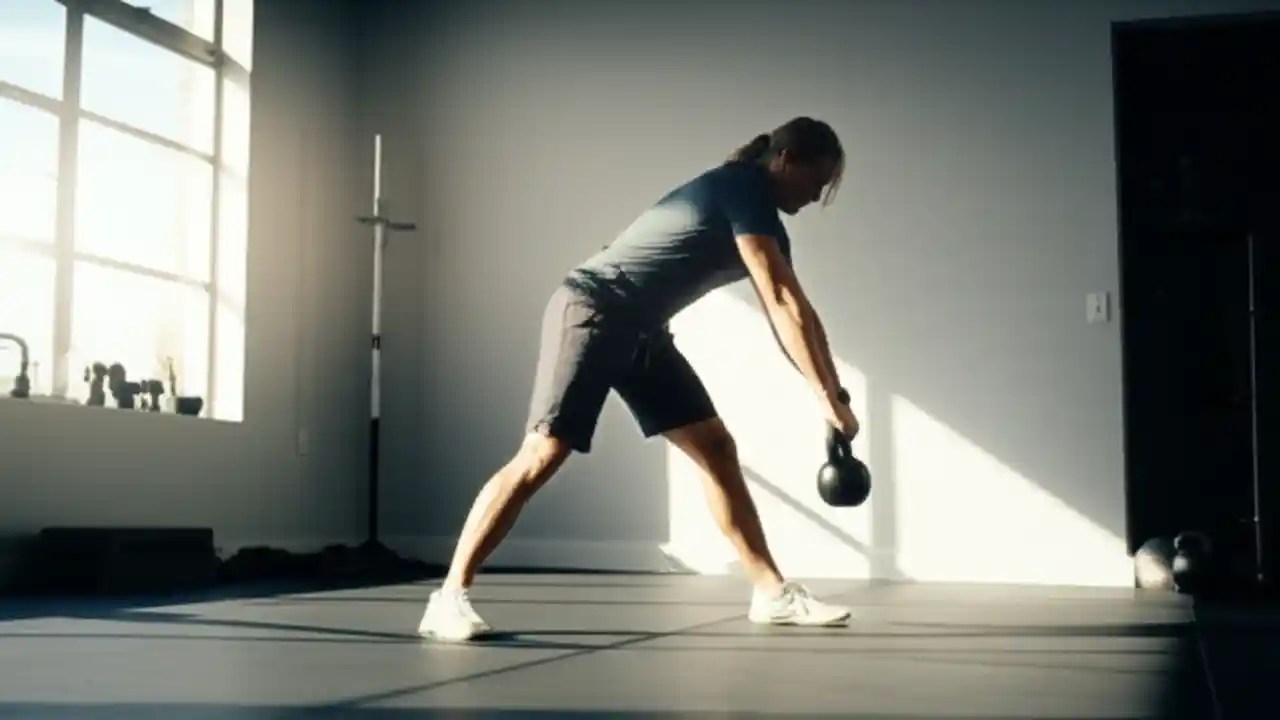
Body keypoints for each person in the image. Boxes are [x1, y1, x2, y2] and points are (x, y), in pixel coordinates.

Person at [418, 116, 861, 642]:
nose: (816, 197)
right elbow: (781, 302)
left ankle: (771, 593)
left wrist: (832, 396)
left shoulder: (764, 219)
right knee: (543, 452)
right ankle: (448, 599)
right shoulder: (739, 187)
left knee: (715, 447)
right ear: (785, 160)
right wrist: (823, 394)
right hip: (593, 309)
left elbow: (798, 313)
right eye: (816, 182)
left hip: (642, 330)